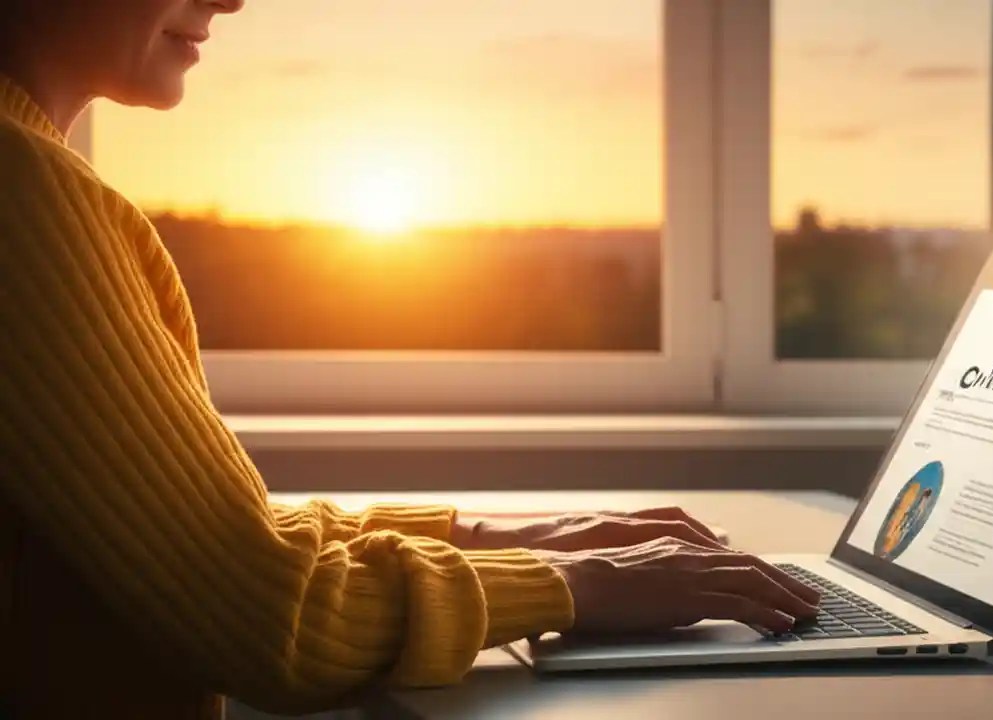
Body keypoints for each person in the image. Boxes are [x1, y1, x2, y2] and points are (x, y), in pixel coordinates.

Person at [0, 1, 821, 717]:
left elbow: (216, 548)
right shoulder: (24, 194)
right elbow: (282, 619)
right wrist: (578, 585)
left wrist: (505, 535)